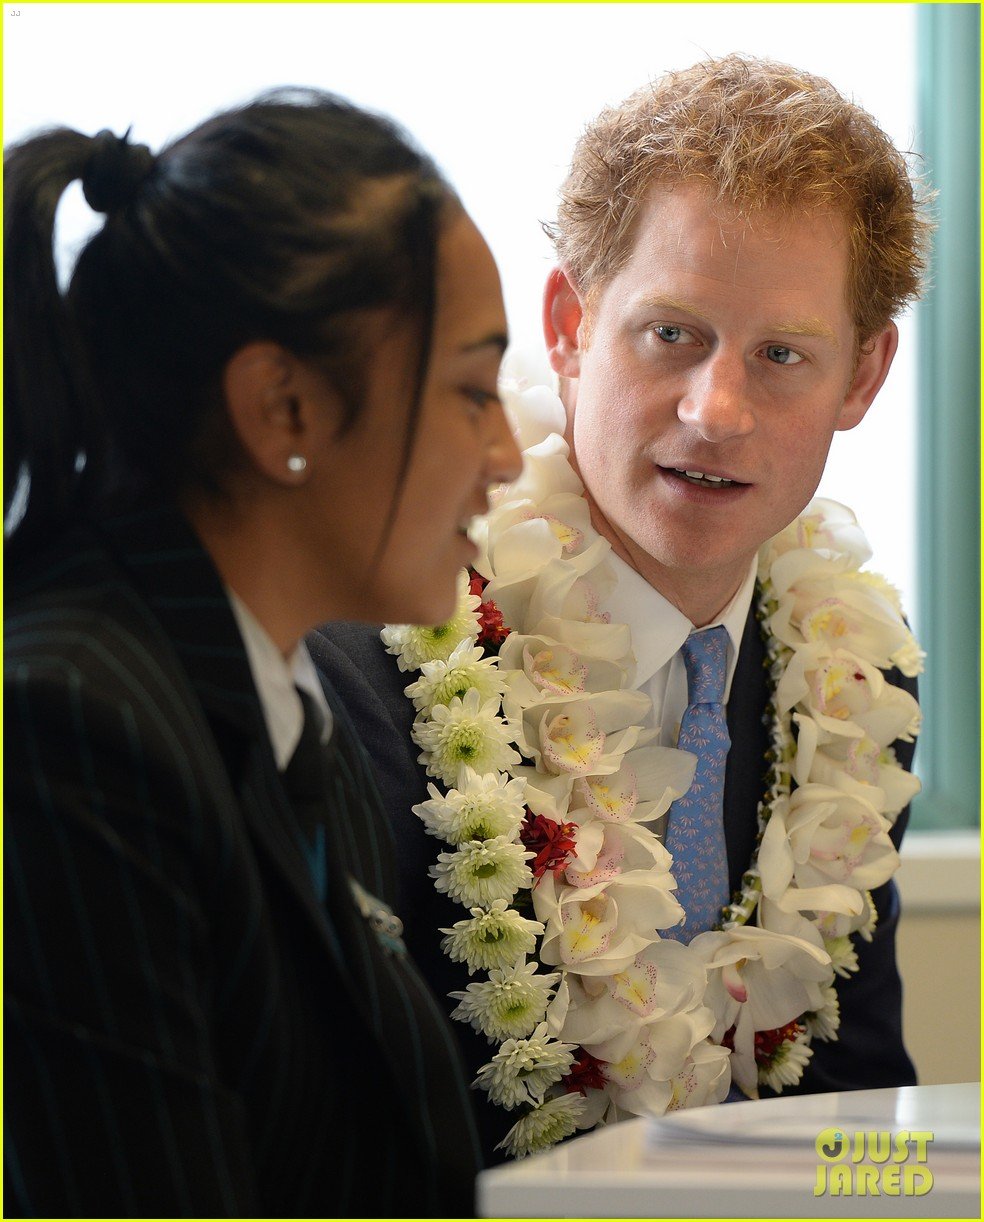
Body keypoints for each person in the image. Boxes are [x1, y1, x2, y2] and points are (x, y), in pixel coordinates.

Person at [310, 55, 930, 1161]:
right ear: (568, 324)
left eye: (782, 354)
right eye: (671, 333)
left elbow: (855, 1115)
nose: (716, 410)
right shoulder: (368, 652)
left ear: (863, 378)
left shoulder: (863, 691)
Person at [4, 88, 522, 1216]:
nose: (509, 453)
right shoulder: (70, 731)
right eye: (473, 391)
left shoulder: (278, 694)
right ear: (282, 407)